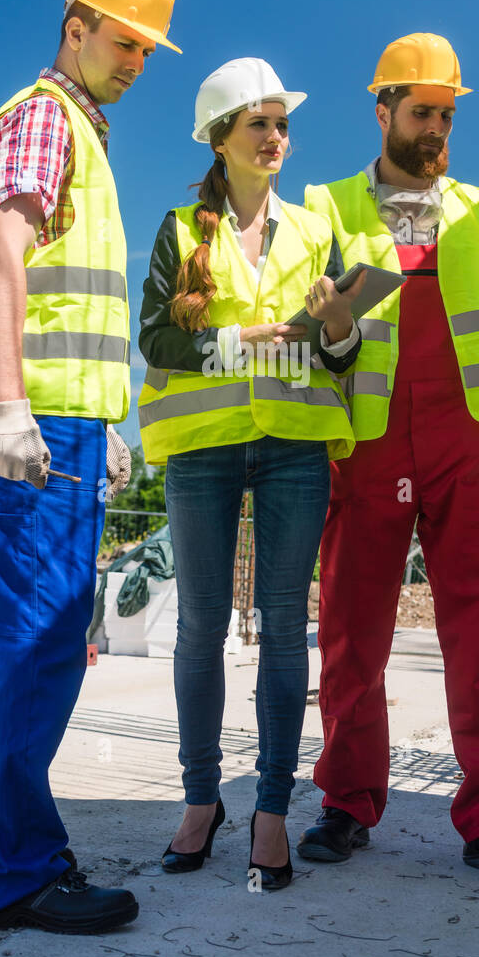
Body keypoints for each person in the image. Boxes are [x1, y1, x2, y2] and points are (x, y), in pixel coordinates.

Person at [0, 0, 182, 932]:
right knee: (35, 640)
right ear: (75, 25)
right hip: (36, 432)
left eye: (150, 50)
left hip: (62, 424)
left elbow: (73, 300)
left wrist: (99, 421)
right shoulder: (45, 118)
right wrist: (14, 406)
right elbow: (1, 260)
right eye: (125, 41)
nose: (137, 62)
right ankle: (19, 868)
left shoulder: (77, 133)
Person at [298, 33, 479, 890]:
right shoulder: (325, 204)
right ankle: (346, 799)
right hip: (368, 439)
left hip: (463, 438)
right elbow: (318, 340)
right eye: (421, 112)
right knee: (351, 629)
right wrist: (329, 327)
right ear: (382, 112)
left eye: (446, 112)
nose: (436, 127)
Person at [138, 57, 365, 890]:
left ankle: (271, 809)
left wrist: (338, 329)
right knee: (200, 627)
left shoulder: (313, 231)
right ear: (220, 139)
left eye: (281, 123)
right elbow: (155, 340)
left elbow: (341, 351)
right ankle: (201, 801)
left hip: (295, 445)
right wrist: (242, 340)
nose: (276, 138)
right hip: (202, 447)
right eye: (258, 124)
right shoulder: (178, 229)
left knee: (280, 623)